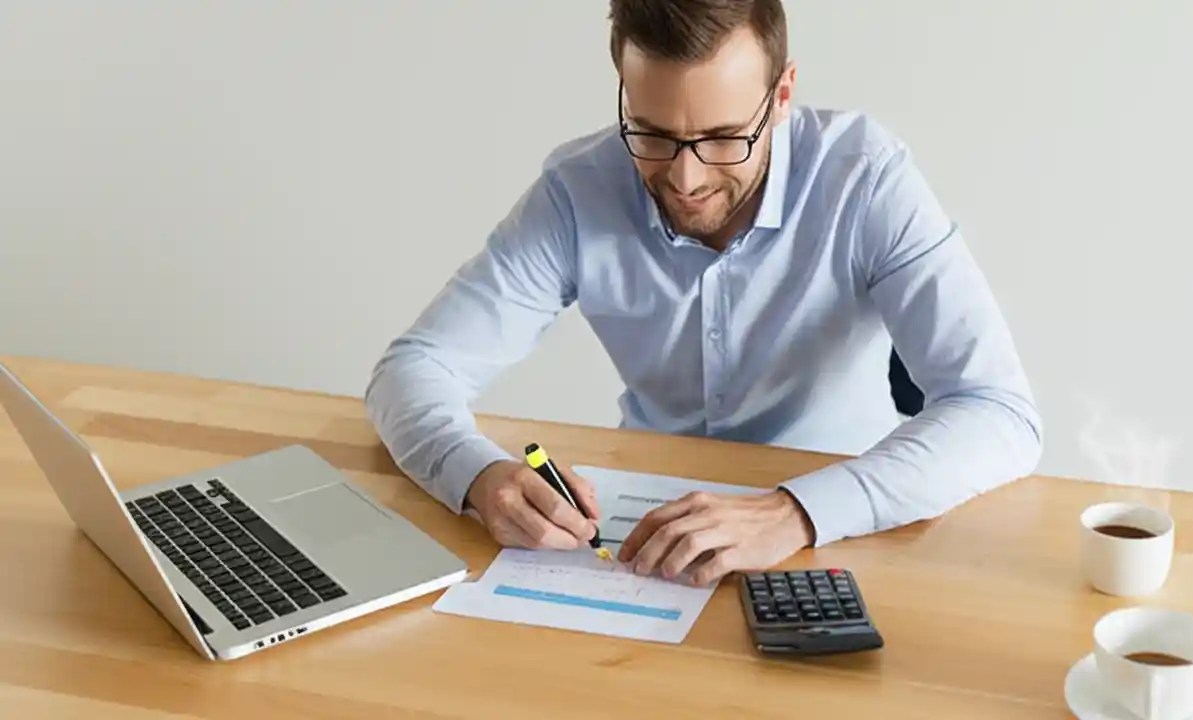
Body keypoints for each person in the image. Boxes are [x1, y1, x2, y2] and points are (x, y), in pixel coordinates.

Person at [365, 0, 1043, 586]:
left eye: (723, 138)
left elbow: (1000, 412)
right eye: (654, 135)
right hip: (643, 544)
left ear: (782, 96)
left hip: (849, 532)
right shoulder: (578, 192)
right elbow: (413, 370)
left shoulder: (865, 179)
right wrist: (480, 476)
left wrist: (795, 511)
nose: (686, 180)